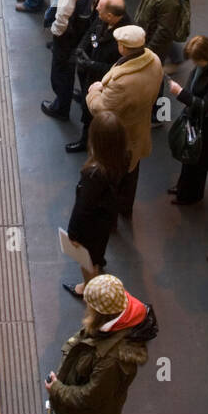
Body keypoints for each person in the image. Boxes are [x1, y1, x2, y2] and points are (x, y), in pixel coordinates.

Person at [46, 273, 158, 414]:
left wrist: (56, 389)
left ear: (99, 313)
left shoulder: (112, 360)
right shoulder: (116, 318)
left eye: (89, 305)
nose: (86, 306)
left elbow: (89, 398)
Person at [85, 24, 163, 220]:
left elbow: (101, 110)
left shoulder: (122, 82)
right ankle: (126, 209)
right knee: (132, 172)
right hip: (139, 129)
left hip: (119, 138)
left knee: (112, 178)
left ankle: (109, 219)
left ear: (123, 47)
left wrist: (94, 90)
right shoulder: (154, 61)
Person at [45, 0, 116, 119]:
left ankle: (61, 107)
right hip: (93, 31)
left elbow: (62, 17)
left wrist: (56, 33)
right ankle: (84, 96)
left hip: (71, 34)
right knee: (84, 67)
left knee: (62, 70)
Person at [62, 112, 128, 296]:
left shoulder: (93, 174)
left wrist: (73, 233)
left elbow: (83, 208)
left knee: (86, 259)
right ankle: (98, 262)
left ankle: (88, 289)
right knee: (98, 251)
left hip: (90, 225)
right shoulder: (123, 158)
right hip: (105, 218)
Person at [166, 36, 208, 204]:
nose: (194, 64)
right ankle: (183, 187)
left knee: (197, 163)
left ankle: (190, 196)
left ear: (206, 57)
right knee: (190, 159)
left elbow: (206, 106)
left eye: (197, 61)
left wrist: (181, 93)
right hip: (198, 120)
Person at [68, 0, 130, 152]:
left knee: (93, 115)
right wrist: (81, 49)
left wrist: (91, 64)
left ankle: (87, 142)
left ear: (110, 16)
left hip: (104, 85)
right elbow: (91, 32)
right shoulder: (104, 18)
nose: (96, 10)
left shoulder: (125, 37)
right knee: (86, 106)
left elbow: (118, 69)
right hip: (89, 73)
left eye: (100, 9)